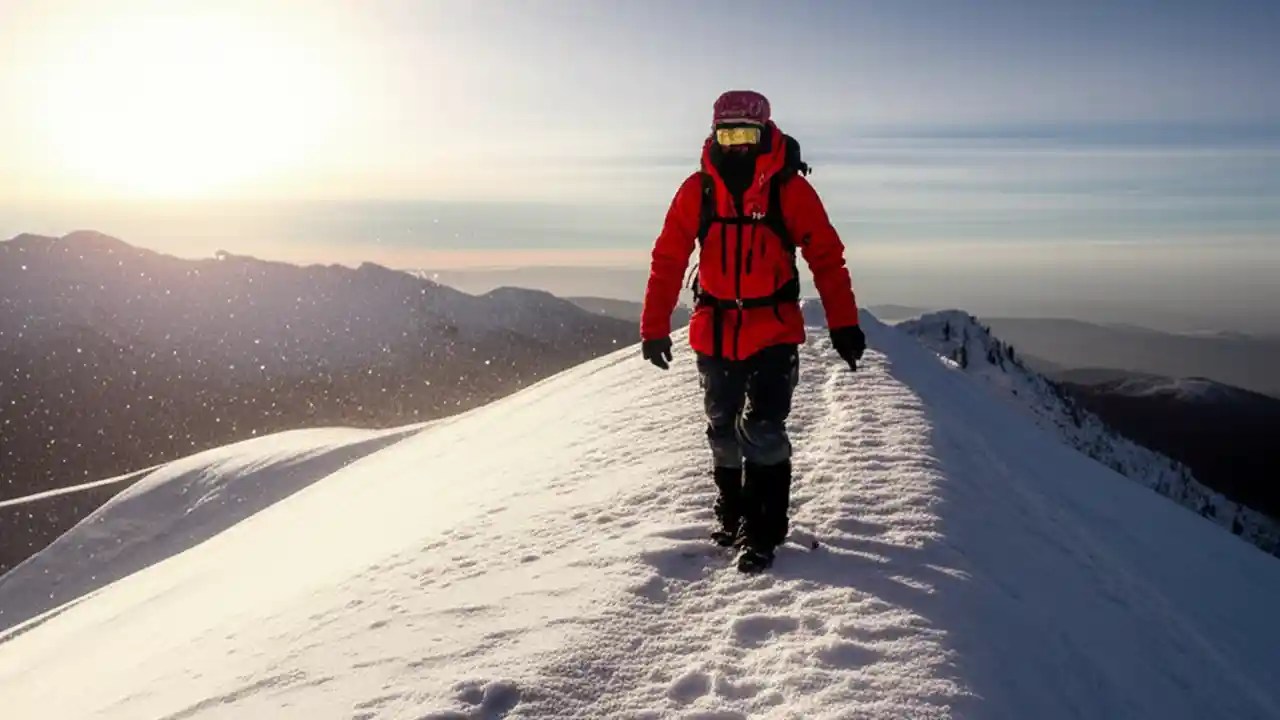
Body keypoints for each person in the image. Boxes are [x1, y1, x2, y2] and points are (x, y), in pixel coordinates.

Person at [639, 90, 865, 573]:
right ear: (714, 134)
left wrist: (844, 324)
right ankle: (732, 513)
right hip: (714, 331)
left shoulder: (789, 191)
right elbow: (668, 258)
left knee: (762, 430)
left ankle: (762, 532)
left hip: (773, 331)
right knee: (722, 429)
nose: (737, 145)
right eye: (728, 134)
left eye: (747, 134)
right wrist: (655, 326)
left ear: (765, 133)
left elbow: (826, 256)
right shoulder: (697, 191)